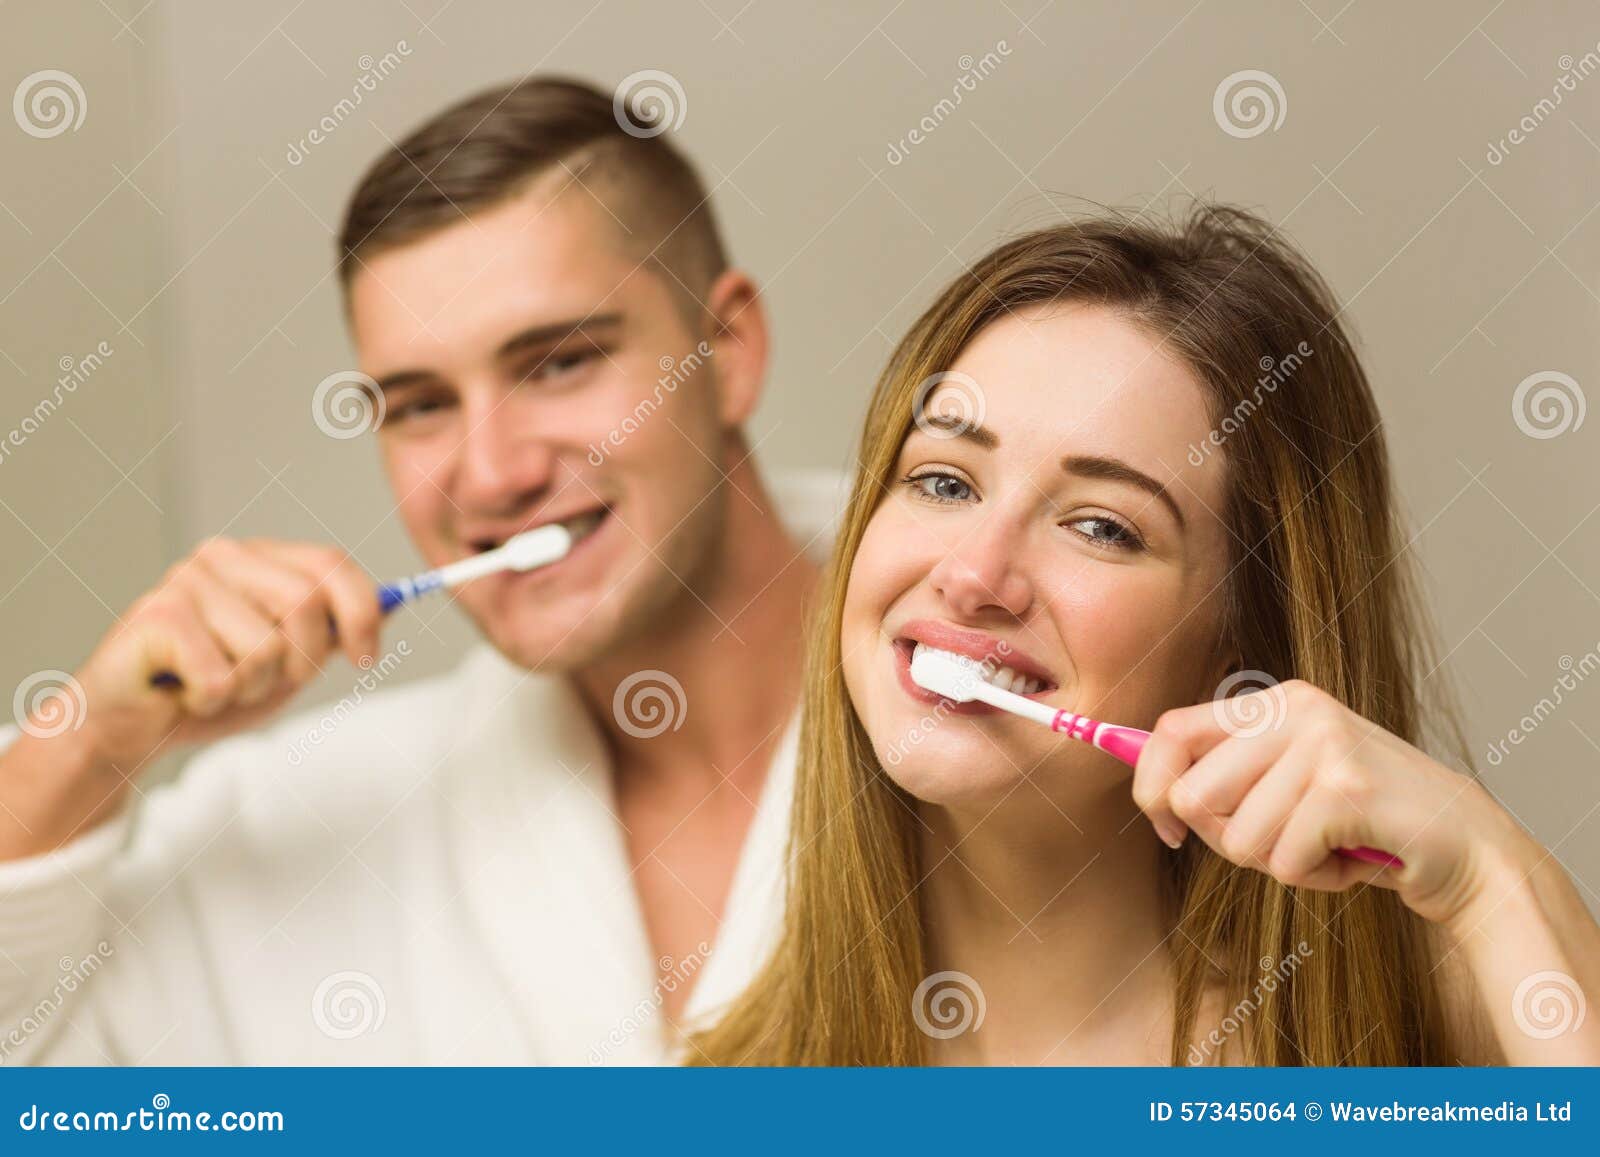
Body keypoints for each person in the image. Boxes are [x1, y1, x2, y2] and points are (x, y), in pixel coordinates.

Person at [0, 77, 825, 1064]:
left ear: (727, 350)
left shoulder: (1020, 729)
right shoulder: (298, 825)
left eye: (559, 361)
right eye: (422, 403)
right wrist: (87, 743)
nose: (491, 473)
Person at [690, 204, 1600, 1066]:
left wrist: (1492, 879)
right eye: (944, 481)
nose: (973, 574)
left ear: (1239, 649)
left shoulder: (1459, 1026)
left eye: (1102, 527)